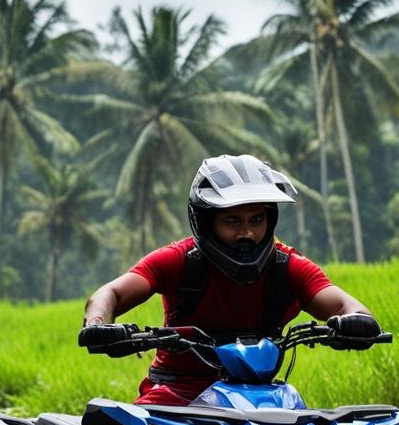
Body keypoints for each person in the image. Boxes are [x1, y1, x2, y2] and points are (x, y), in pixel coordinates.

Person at [79, 154, 380, 406]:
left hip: (262, 398)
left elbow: (345, 305)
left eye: (256, 220)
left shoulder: (289, 267)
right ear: (206, 222)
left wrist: (357, 322)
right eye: (233, 221)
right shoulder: (178, 260)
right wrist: (97, 325)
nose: (247, 233)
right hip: (176, 396)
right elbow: (111, 293)